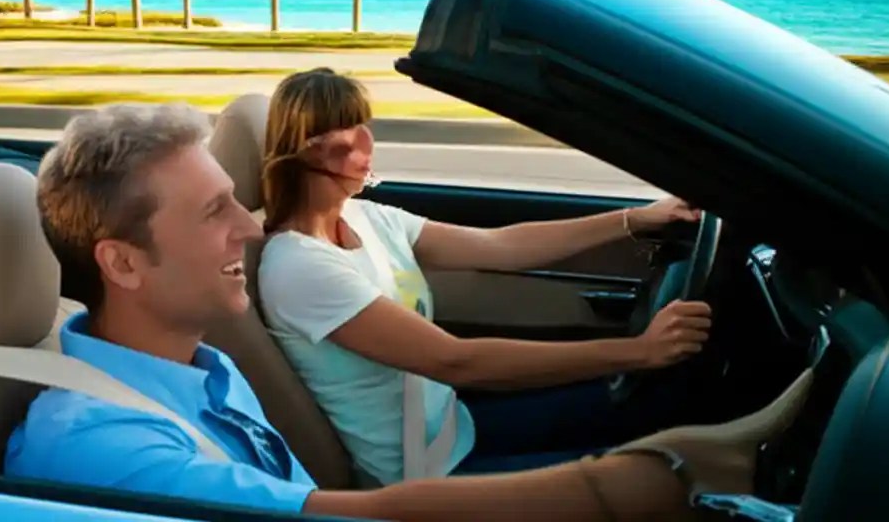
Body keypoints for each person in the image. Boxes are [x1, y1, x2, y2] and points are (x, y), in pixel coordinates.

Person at [4, 101, 813, 522]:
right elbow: (358, 513)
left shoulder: (201, 366)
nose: (248, 228)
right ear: (122, 263)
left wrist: (635, 220)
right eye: (215, 212)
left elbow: (501, 249)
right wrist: (654, 476)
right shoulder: (99, 442)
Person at [256, 67, 715, 484]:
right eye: (348, 131)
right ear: (309, 151)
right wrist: (638, 351)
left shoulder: (368, 219)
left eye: (364, 127)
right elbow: (456, 360)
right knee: (658, 479)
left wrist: (635, 219)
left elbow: (501, 247)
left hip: (455, 429)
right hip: (424, 478)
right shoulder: (300, 267)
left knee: (654, 416)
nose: (366, 142)